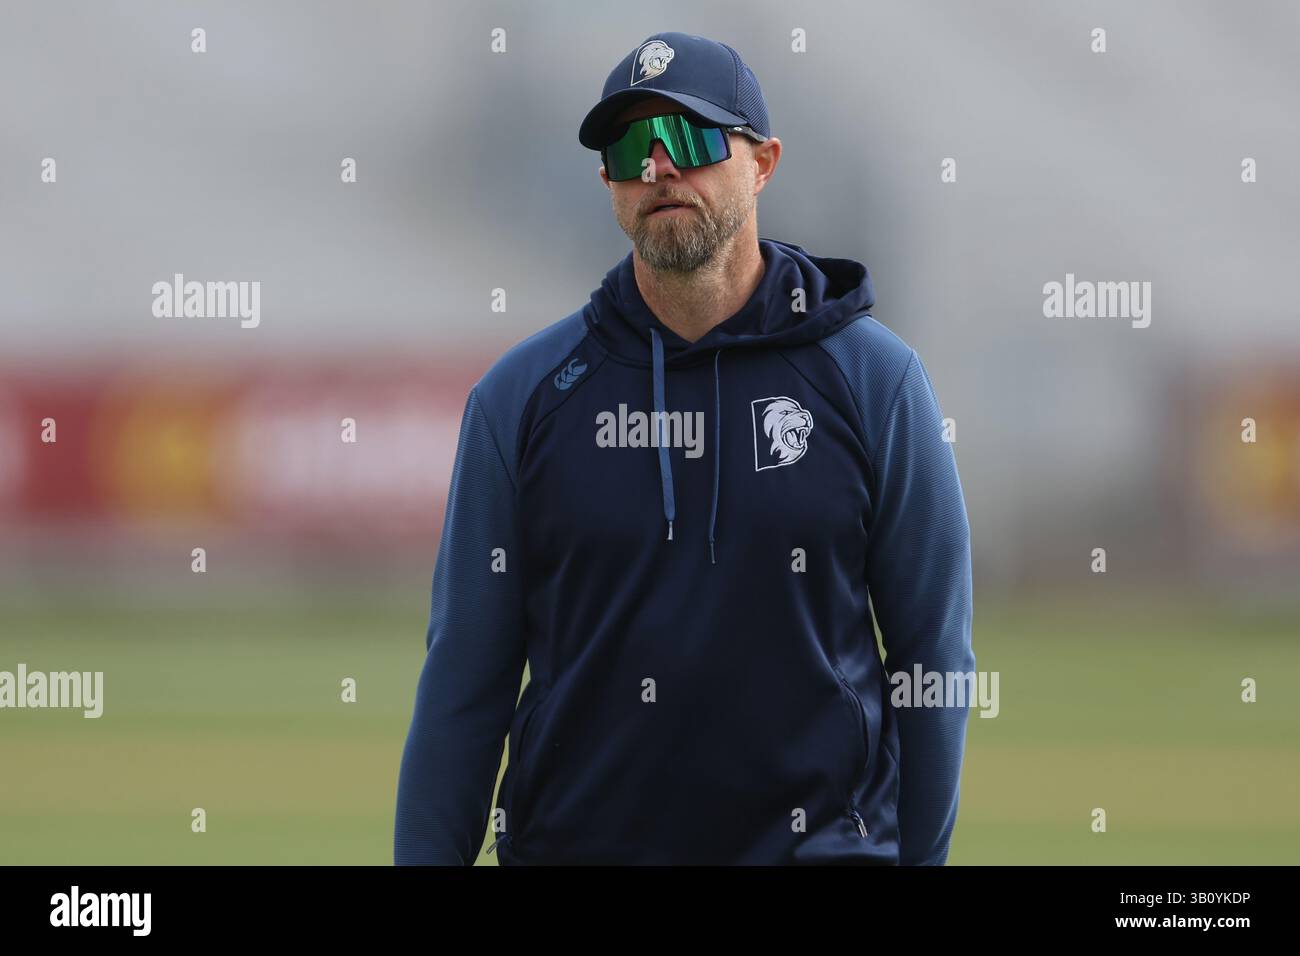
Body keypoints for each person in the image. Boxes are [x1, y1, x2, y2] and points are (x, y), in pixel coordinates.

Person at [394, 31, 975, 865]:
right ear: (608, 183)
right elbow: (464, 681)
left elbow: (933, 656)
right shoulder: (520, 399)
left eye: (694, 138)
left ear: (764, 161)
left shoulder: (876, 381)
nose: (659, 167)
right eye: (631, 148)